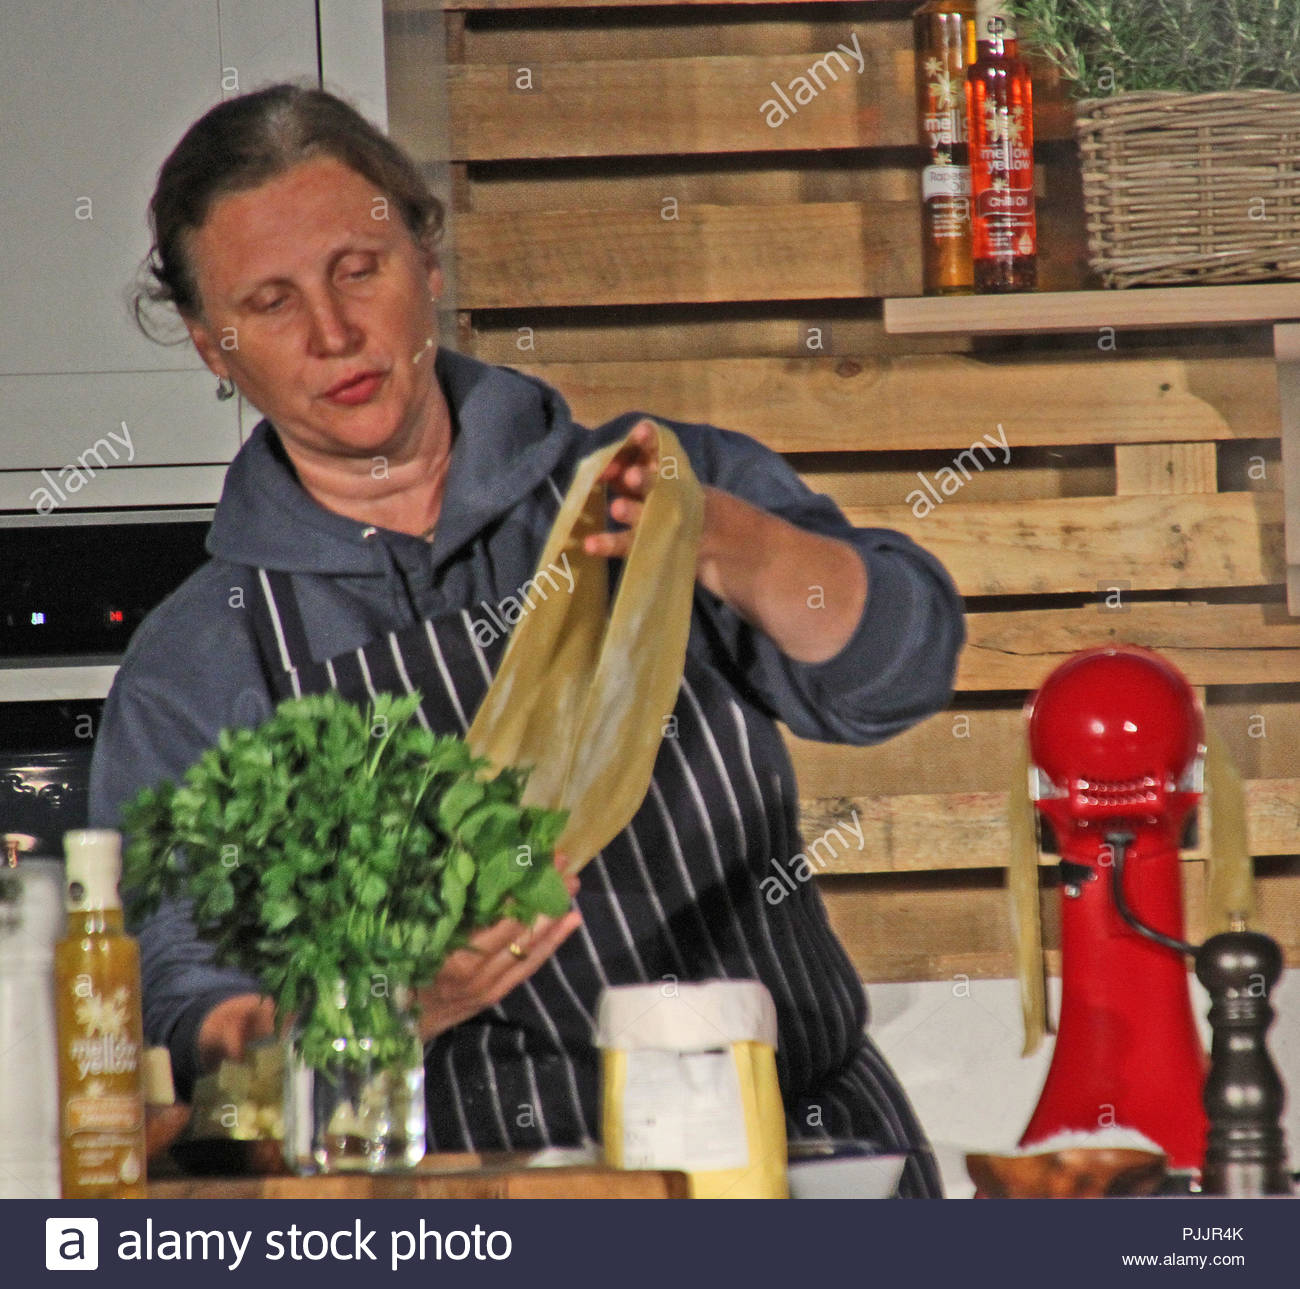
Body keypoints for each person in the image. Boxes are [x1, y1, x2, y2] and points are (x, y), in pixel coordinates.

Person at [88, 83, 965, 1197]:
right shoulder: (201, 658)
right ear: (217, 349)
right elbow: (193, 1030)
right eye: (269, 302)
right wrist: (393, 1004)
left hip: (787, 1178)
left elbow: (898, 669)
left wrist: (727, 540)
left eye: (359, 270)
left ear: (428, 260)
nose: (333, 333)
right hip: (475, 1211)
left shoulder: (645, 483)